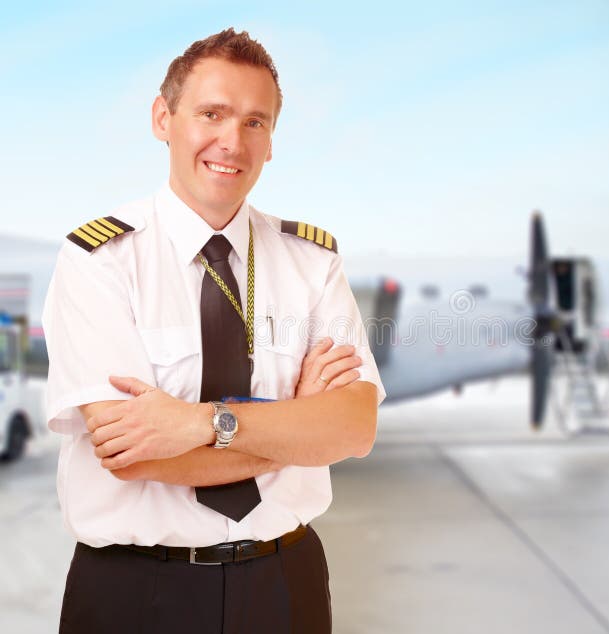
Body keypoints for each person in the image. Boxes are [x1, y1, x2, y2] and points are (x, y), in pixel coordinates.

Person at [43, 28, 384, 633]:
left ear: (271, 142)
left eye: (255, 122)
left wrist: (199, 425)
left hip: (286, 583)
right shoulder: (99, 260)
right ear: (163, 118)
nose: (233, 141)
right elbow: (129, 454)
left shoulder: (312, 262)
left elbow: (354, 428)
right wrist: (298, 424)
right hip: (135, 591)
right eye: (212, 114)